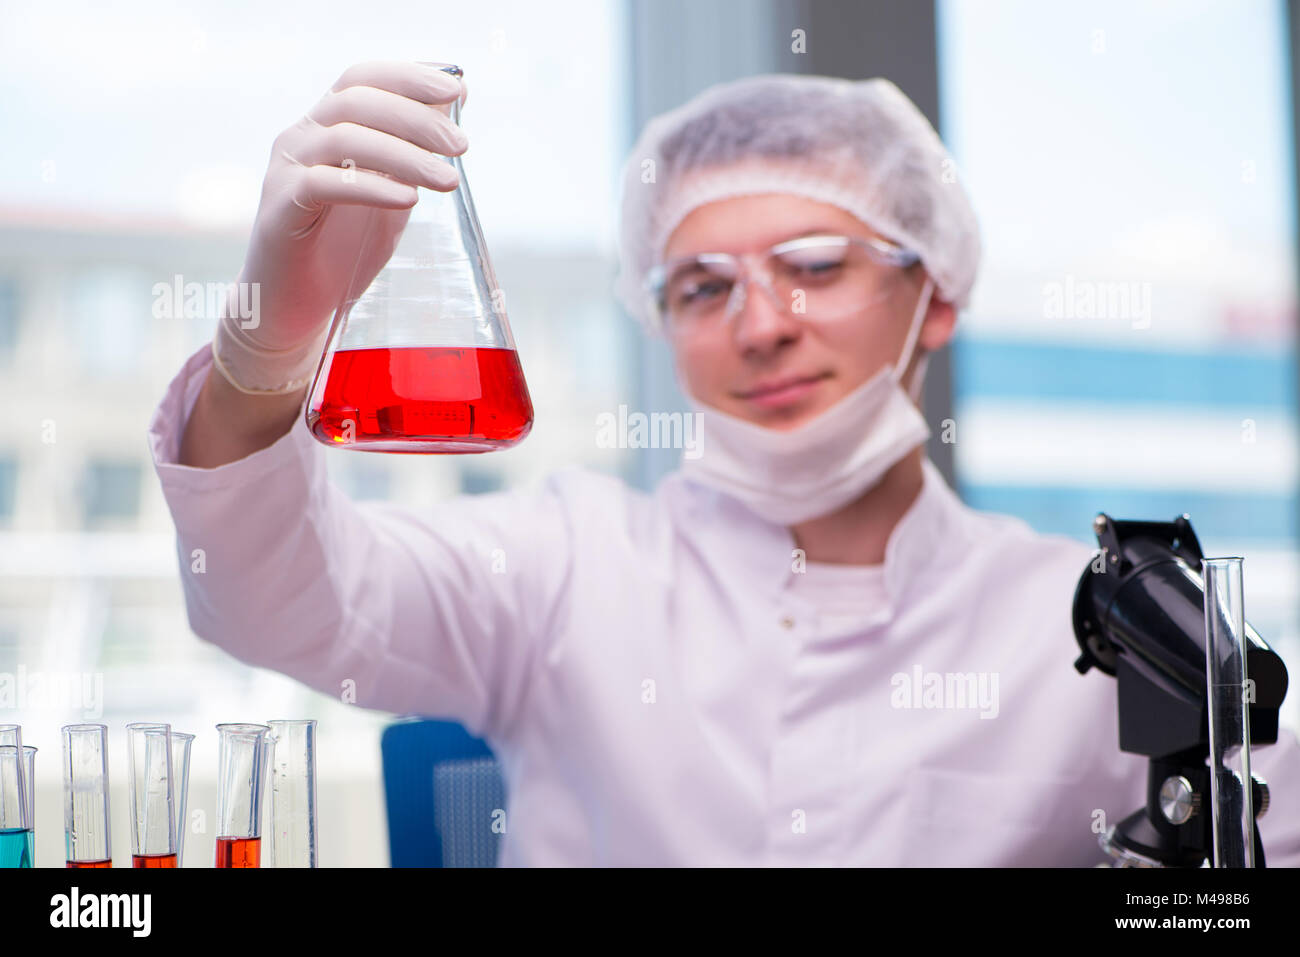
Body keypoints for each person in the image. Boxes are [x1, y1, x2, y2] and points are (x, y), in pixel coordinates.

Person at [149, 61, 1300, 866]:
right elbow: (280, 603)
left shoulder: (1098, 627)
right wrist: (272, 343)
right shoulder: (564, 563)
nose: (759, 326)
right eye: (702, 286)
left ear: (935, 294)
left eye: (813, 264)